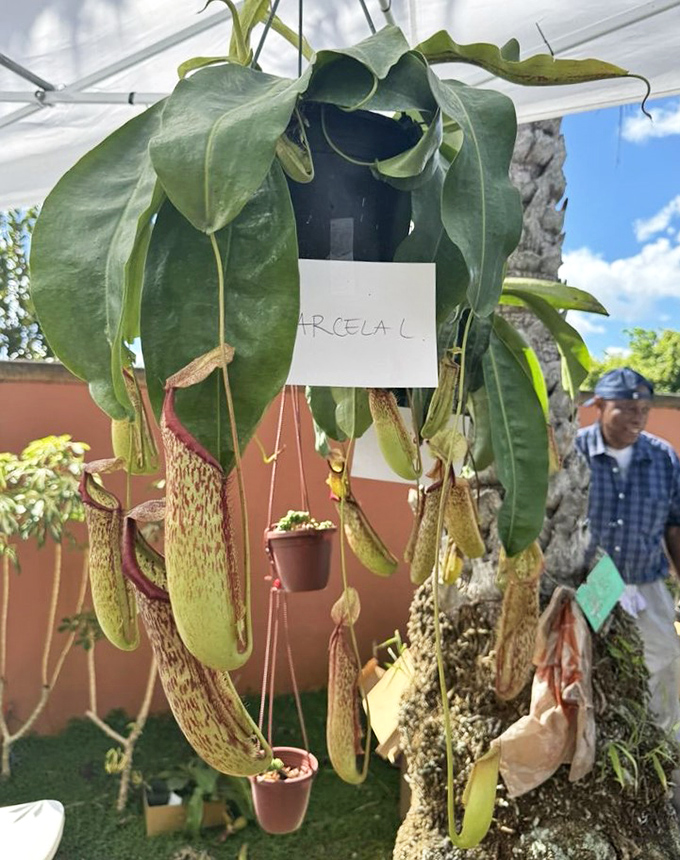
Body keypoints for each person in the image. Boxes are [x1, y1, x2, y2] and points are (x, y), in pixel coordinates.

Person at [576, 367, 680, 750]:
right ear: (599, 405)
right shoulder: (575, 453)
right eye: (626, 408)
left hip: (646, 580)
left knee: (664, 661)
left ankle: (660, 753)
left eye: (645, 410)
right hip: (595, 582)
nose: (638, 418)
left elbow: (674, 525)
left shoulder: (663, 458)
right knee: (591, 664)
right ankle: (597, 748)